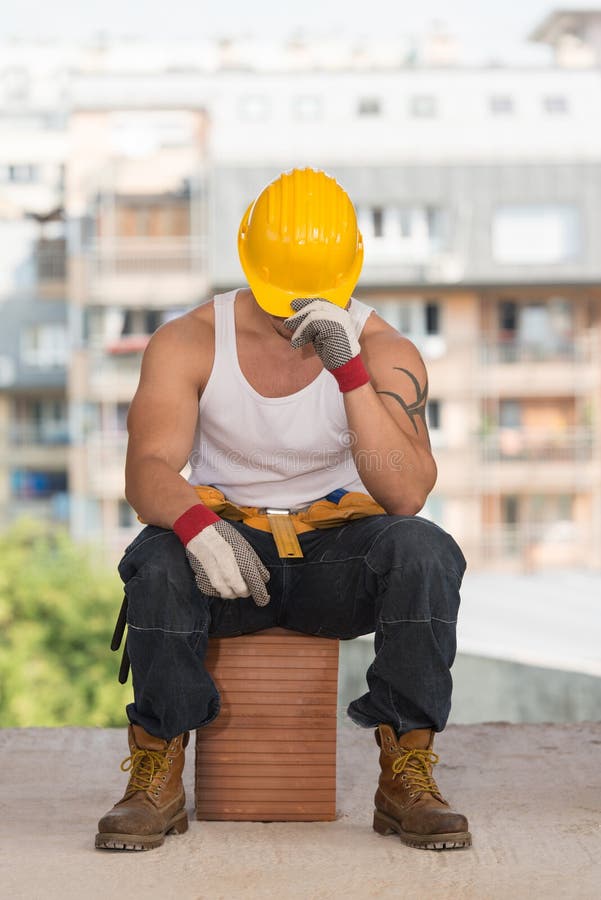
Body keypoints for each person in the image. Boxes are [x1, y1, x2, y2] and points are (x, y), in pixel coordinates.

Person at [96, 167, 471, 852]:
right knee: (155, 560)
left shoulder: (385, 351)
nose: (291, 308)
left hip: (338, 558)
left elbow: (405, 495)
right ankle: (157, 773)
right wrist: (196, 526)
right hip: (224, 556)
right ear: (248, 265)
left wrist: (347, 369)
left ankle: (405, 776)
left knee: (423, 549)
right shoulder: (189, 340)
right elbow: (146, 469)